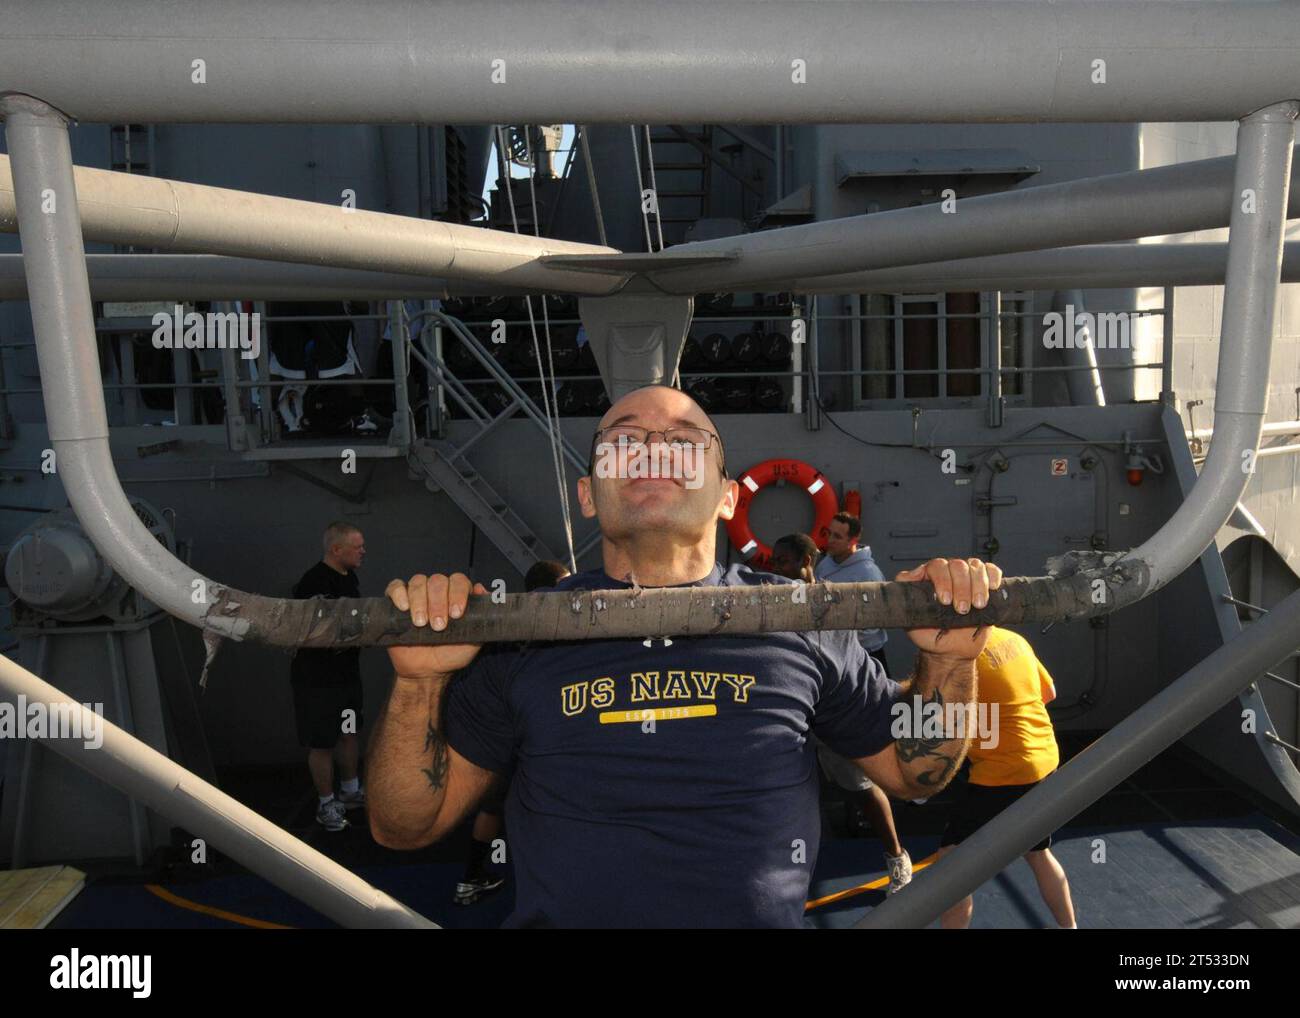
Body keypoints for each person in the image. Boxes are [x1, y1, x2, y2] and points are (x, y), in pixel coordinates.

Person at [368, 384, 1002, 927]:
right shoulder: (526, 634)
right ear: (589, 494)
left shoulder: (803, 619)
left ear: (728, 498)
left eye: (685, 441)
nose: (653, 449)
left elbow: (914, 774)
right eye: (625, 439)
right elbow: (404, 827)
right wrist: (418, 682)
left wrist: (948, 664)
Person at [769, 532, 912, 895]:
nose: (776, 567)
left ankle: (897, 858)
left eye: (784, 561)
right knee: (788, 794)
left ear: (806, 563)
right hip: (792, 715)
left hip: (832, 713)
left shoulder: (833, 603)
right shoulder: (767, 602)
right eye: (774, 561)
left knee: (863, 788)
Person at [934, 626, 1077, 929]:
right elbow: (1048, 693)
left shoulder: (958, 657)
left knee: (951, 864)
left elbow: (943, 728)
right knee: (1037, 852)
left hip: (1004, 775)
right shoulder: (1013, 639)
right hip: (1044, 759)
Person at [453, 558, 572, 906]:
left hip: (504, 739)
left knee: (493, 810)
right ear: (552, 588)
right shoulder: (554, 629)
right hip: (534, 740)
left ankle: (471, 879)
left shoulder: (504, 625)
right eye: (565, 583)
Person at [290, 522, 367, 831]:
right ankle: (326, 804)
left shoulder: (350, 577)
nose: (363, 551)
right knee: (322, 742)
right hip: (317, 682)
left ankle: (350, 791)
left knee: (348, 732)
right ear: (337, 550)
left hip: (346, 677)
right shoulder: (313, 582)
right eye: (357, 546)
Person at [815, 512, 889, 671]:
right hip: (834, 654)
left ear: (853, 541)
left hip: (865, 658)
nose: (830, 540)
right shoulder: (825, 563)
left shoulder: (868, 574)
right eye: (829, 534)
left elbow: (872, 626)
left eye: (837, 536)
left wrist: (836, 639)